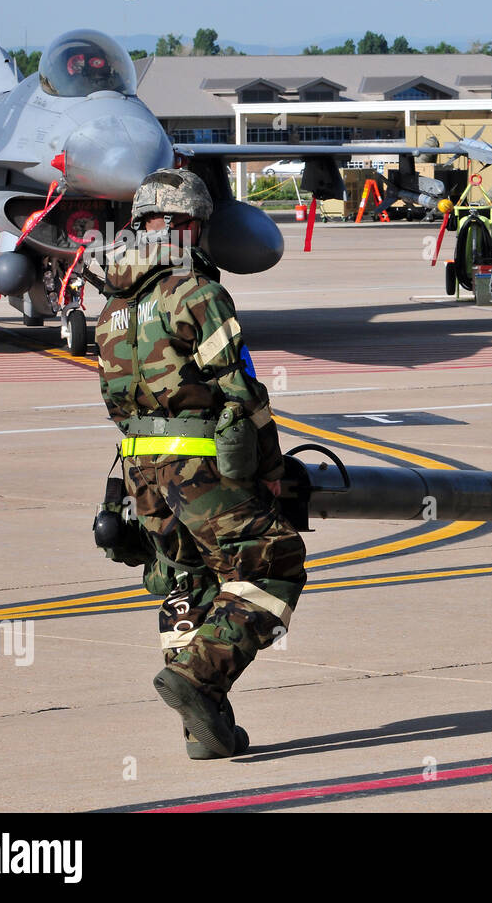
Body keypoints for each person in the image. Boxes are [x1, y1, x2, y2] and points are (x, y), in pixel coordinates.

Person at [94, 168, 306, 759]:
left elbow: (119, 402)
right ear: (186, 226)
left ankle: (202, 728)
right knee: (272, 565)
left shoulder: (112, 307)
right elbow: (240, 392)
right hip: (203, 468)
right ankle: (196, 681)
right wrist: (269, 469)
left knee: (184, 582)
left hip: (142, 474)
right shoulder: (198, 293)